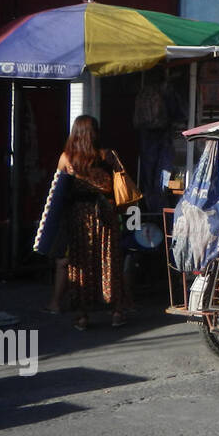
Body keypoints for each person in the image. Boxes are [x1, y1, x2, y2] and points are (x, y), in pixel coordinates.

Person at [54, 115, 132, 330]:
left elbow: (58, 190)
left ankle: (82, 315)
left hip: (79, 218)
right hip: (106, 216)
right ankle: (116, 311)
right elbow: (122, 184)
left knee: (81, 264)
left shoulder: (67, 159)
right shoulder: (108, 156)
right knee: (109, 262)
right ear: (95, 133)